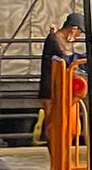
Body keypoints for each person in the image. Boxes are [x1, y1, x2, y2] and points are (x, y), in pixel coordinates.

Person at [34, 12, 86, 142]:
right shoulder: (55, 40)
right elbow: (67, 58)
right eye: (79, 32)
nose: (79, 36)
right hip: (51, 89)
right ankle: (54, 147)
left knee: (58, 124)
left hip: (55, 88)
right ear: (73, 29)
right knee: (54, 125)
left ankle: (56, 146)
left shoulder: (57, 38)